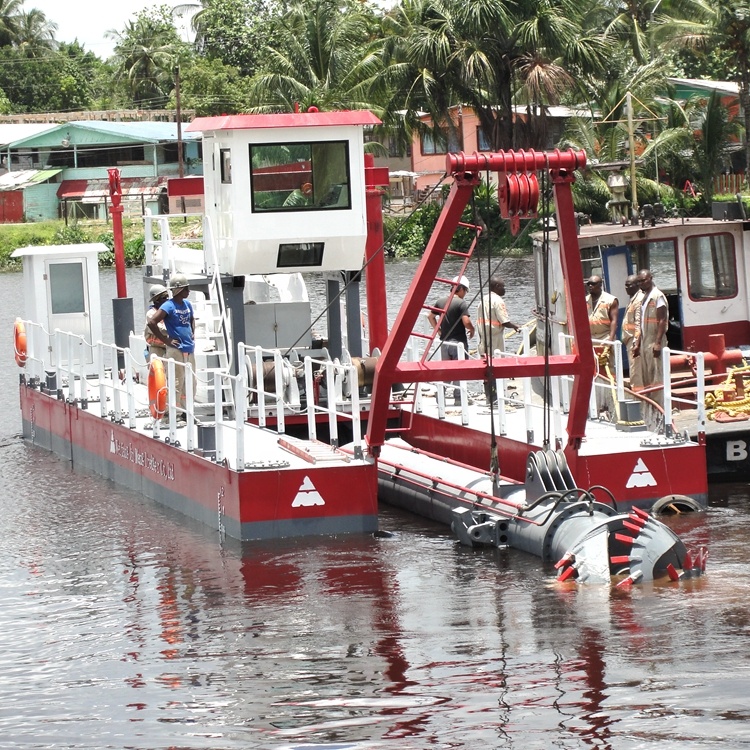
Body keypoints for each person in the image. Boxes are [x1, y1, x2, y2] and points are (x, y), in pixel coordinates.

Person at [148, 274, 195, 422]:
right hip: (176, 349)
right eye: (186, 288)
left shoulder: (187, 304)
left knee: (191, 382)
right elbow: (152, 322)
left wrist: (193, 333)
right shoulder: (168, 305)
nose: (189, 291)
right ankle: (174, 414)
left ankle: (188, 411)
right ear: (179, 289)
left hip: (189, 348)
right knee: (176, 382)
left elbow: (192, 319)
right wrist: (166, 340)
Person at [427, 275, 475, 404]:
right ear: (460, 288)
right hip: (458, 343)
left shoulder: (441, 301)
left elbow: (430, 317)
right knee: (460, 371)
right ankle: (458, 398)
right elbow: (466, 321)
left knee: (446, 371)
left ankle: (441, 395)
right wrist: (472, 329)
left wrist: (439, 331)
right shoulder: (461, 303)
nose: (465, 294)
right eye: (465, 290)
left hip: (444, 343)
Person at [476, 276, 520, 404]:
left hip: (483, 337)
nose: (504, 289)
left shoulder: (483, 299)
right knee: (496, 366)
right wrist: (516, 327)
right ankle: (496, 399)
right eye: (502, 286)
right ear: (496, 287)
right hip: (495, 338)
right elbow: (504, 321)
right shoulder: (498, 301)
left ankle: (489, 398)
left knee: (485, 366)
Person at [633, 268, 668, 407]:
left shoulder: (657, 296)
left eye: (644, 280)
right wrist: (638, 344)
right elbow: (641, 323)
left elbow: (662, 320)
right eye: (639, 281)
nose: (641, 283)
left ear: (651, 278)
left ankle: (660, 406)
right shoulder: (643, 298)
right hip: (645, 342)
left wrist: (658, 343)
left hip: (654, 340)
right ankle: (651, 405)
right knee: (647, 375)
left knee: (657, 375)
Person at [585, 274, 619, 374]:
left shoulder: (611, 300)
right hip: (591, 338)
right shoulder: (585, 300)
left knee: (608, 367)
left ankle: (612, 387)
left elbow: (614, 321)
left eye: (593, 284)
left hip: (605, 337)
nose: (590, 286)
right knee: (593, 367)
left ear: (600, 285)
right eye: (589, 284)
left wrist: (610, 340)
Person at [621, 274, 643, 393]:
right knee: (634, 370)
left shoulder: (638, 300)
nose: (626, 288)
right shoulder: (633, 299)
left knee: (636, 372)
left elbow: (638, 323)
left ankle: (638, 397)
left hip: (634, 341)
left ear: (637, 285)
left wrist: (636, 343)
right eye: (625, 285)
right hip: (629, 340)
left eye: (629, 285)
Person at [144, 284, 169, 359]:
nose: (167, 300)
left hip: (168, 348)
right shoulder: (151, 314)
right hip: (156, 349)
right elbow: (161, 330)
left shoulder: (167, 312)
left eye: (167, 297)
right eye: (164, 298)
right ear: (156, 300)